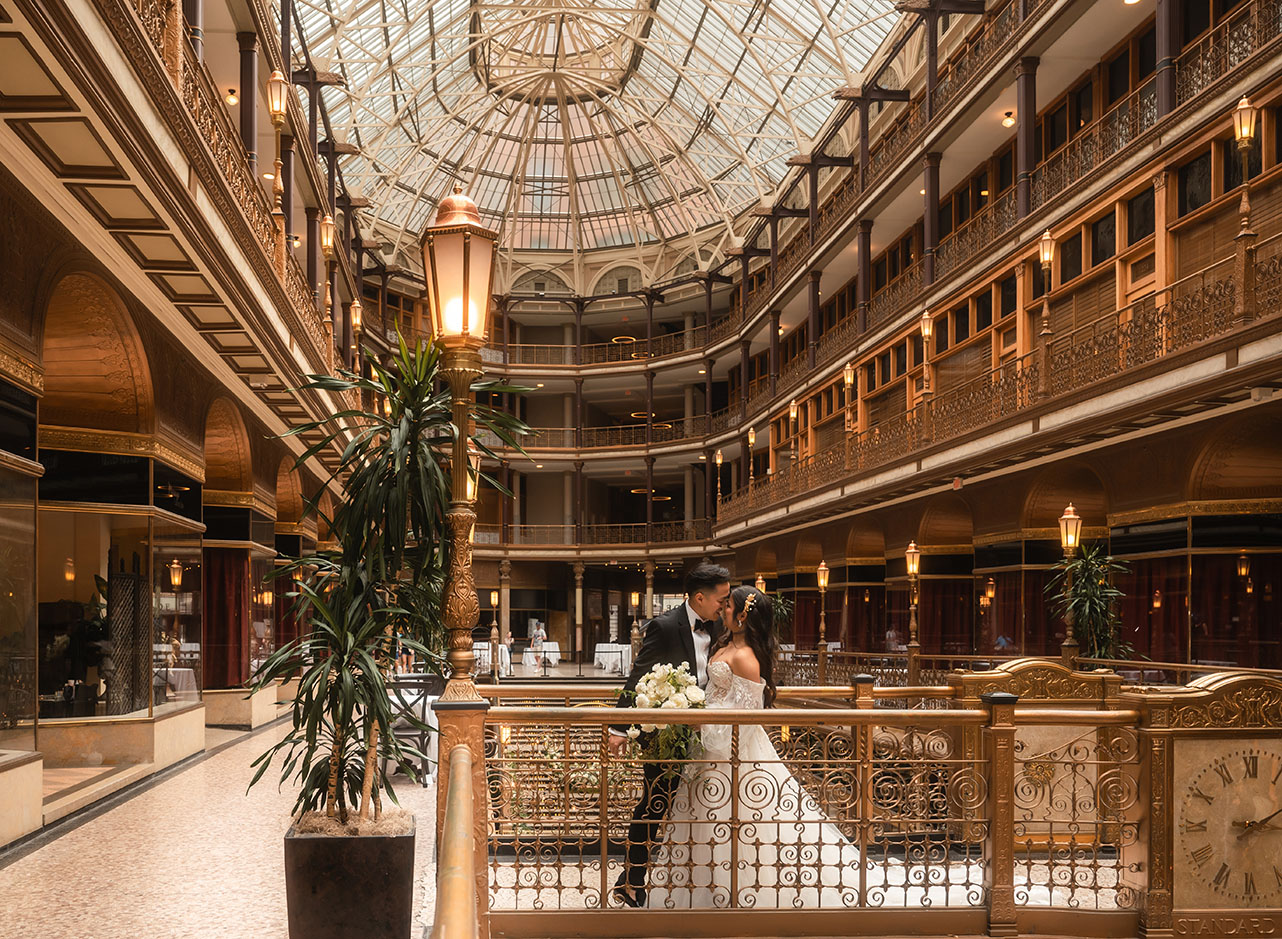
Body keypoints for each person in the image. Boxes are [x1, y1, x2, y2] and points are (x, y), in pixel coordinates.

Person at [645, 585, 863, 908]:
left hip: (731, 756)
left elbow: (746, 722)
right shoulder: (725, 643)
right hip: (707, 753)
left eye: (728, 607)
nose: (722, 611)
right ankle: (702, 895)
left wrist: (700, 723)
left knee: (736, 826)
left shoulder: (747, 658)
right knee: (703, 828)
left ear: (744, 616)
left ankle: (739, 897)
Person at [608, 561, 732, 908]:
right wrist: (618, 728)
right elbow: (636, 678)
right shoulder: (664, 626)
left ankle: (693, 881)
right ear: (699, 598)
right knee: (654, 804)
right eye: (720, 599)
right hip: (666, 736)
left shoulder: (721, 625)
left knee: (695, 807)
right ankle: (632, 880)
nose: (724, 605)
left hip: (707, 735)